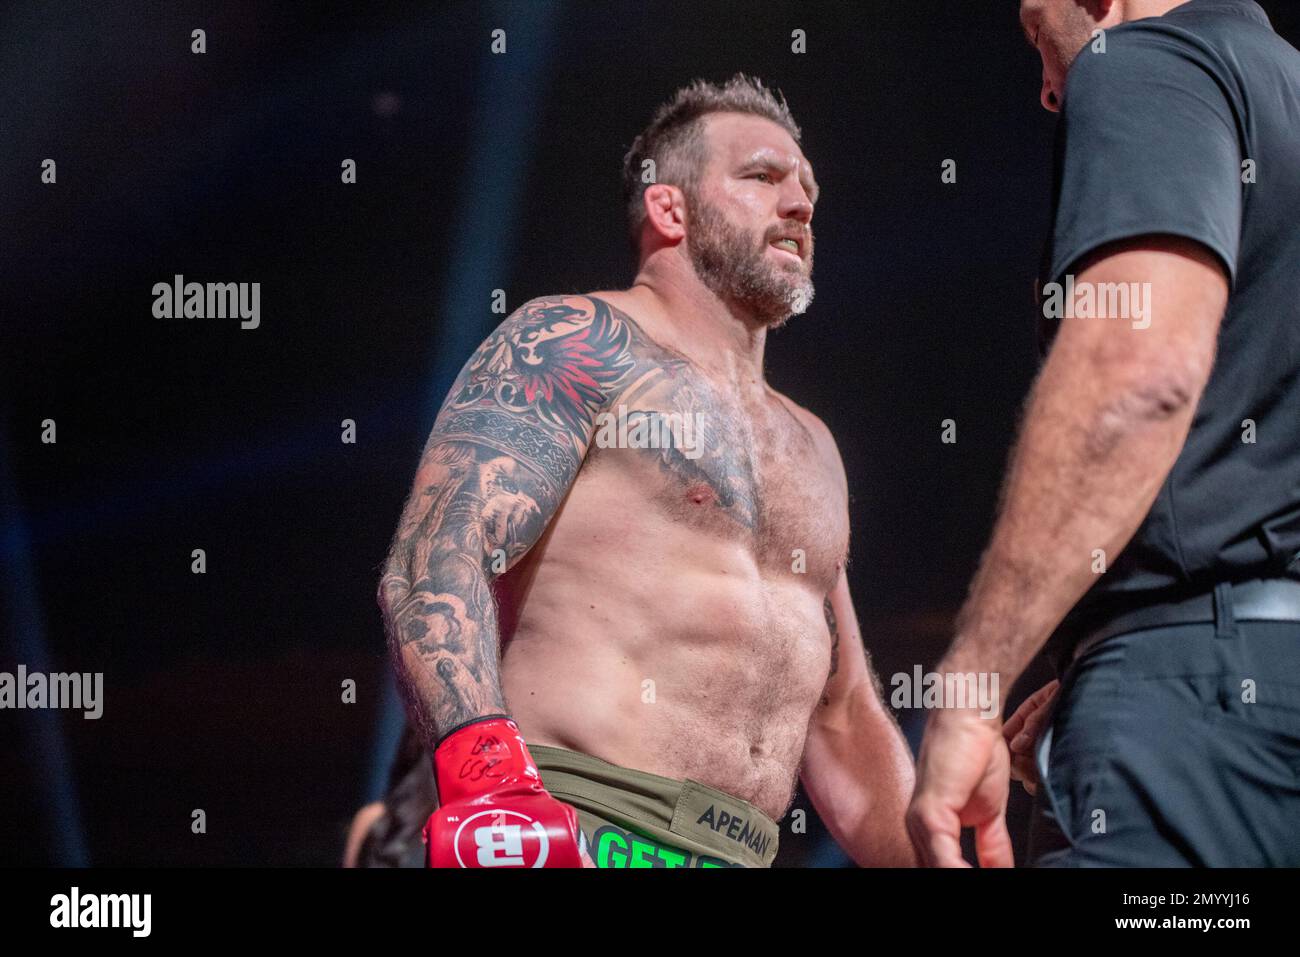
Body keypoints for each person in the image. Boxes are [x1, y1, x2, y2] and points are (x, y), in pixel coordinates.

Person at [377, 73, 916, 868]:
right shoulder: (576, 341)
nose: (800, 205)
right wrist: (488, 788)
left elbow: (841, 715)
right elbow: (434, 560)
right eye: (763, 177)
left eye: (806, 188)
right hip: (575, 823)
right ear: (670, 208)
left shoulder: (814, 445)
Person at [909, 0, 1300, 867]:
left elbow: (1137, 374)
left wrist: (974, 685)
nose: (1052, 91)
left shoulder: (1143, 61)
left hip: (1200, 714)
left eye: (1036, 36)